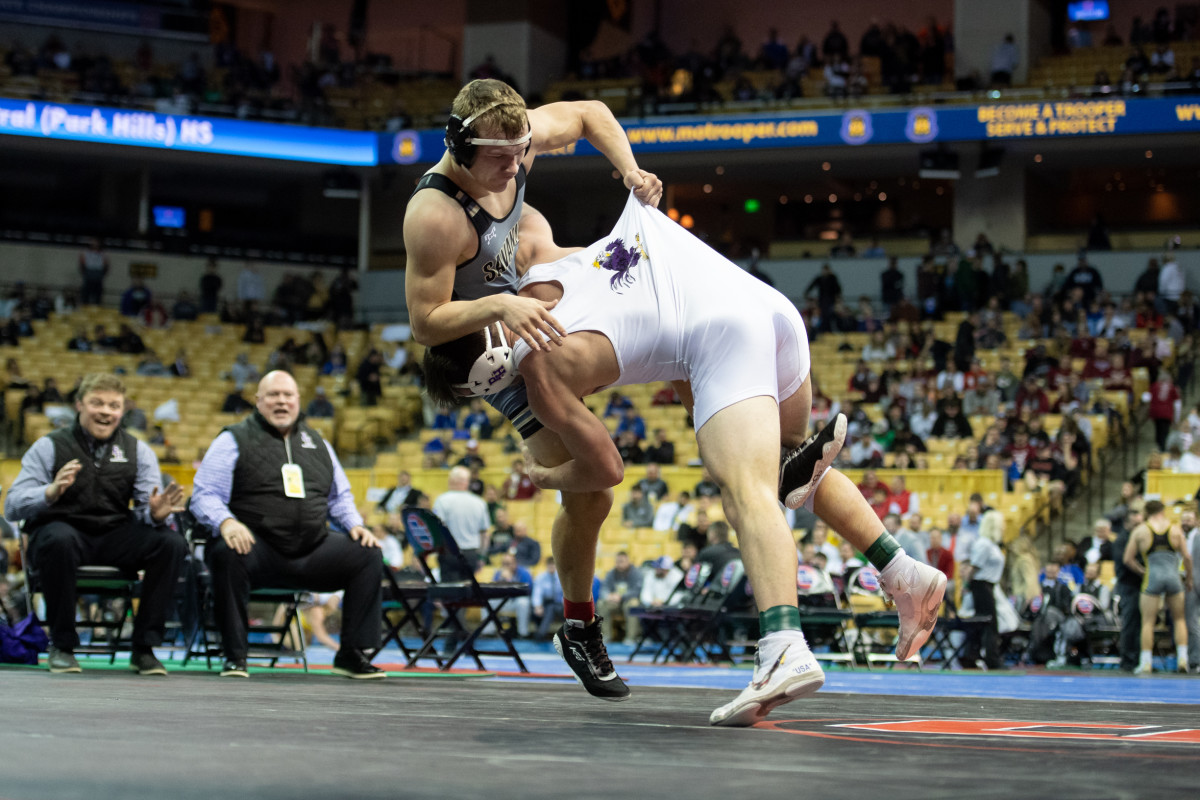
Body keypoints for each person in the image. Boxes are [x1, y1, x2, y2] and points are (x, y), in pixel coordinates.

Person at [422, 193, 946, 724]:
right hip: (763, 305)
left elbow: (606, 471)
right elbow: (577, 122)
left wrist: (543, 474)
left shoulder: (537, 370)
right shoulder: (539, 253)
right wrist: (626, 169)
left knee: (745, 491)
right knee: (788, 469)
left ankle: (783, 645)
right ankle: (901, 569)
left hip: (716, 331)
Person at [402, 77, 662, 699]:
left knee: (648, 291)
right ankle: (580, 624)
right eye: (498, 158)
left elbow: (593, 112)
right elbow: (423, 324)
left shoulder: (514, 139)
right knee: (595, 490)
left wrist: (628, 171)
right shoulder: (434, 215)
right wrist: (498, 305)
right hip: (480, 349)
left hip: (528, 301)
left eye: (520, 153)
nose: (514, 166)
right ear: (459, 146)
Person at [190, 370, 385, 680]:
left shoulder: (318, 442)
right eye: (273, 395)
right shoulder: (233, 439)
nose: (281, 401)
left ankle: (352, 653)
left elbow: (339, 496)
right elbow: (204, 495)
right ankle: (235, 656)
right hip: (257, 549)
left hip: (311, 549)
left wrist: (355, 525)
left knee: (367, 553)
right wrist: (226, 522)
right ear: (258, 401)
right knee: (226, 551)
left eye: (288, 395)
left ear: (298, 400)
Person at [4, 373, 188, 675]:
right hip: (62, 531)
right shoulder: (49, 446)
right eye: (97, 403)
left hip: (113, 533)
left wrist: (156, 513)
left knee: (171, 543)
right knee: (58, 538)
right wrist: (49, 492)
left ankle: (144, 648)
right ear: (80, 405)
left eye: (113, 405)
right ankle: (62, 646)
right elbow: (12, 506)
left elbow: (146, 507)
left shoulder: (138, 450)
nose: (105, 411)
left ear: (122, 410)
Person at [1123, 500, 1192, 674]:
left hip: (1153, 577)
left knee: (1148, 622)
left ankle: (1146, 662)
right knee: (1179, 620)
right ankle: (1183, 660)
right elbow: (1187, 557)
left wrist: (1142, 571)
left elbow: (1127, 559)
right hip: (1173, 577)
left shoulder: (1141, 530)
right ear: (1163, 510)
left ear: (1147, 511)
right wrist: (1189, 578)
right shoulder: (1175, 529)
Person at [962, 510, 1006, 669]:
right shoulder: (984, 544)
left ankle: (974, 656)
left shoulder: (991, 544)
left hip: (988, 585)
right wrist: (966, 588)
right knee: (989, 623)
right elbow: (972, 569)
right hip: (981, 586)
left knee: (985, 623)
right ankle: (991, 659)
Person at [598, 551, 644, 646]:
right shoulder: (611, 573)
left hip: (629, 599)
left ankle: (631, 637)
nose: (620, 563)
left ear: (628, 561)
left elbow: (637, 590)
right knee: (601, 604)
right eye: (618, 561)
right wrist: (608, 596)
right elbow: (604, 588)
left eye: (622, 561)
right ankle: (607, 635)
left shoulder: (636, 573)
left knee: (633, 605)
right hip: (615, 601)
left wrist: (621, 596)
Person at [79, 239, 110, 305]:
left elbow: (106, 266)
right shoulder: (85, 253)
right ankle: (85, 305)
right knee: (86, 294)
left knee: (97, 296)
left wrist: (101, 274)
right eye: (93, 243)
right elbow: (81, 265)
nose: (95, 244)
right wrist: (85, 273)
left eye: (96, 243)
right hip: (89, 273)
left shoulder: (103, 254)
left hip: (98, 274)